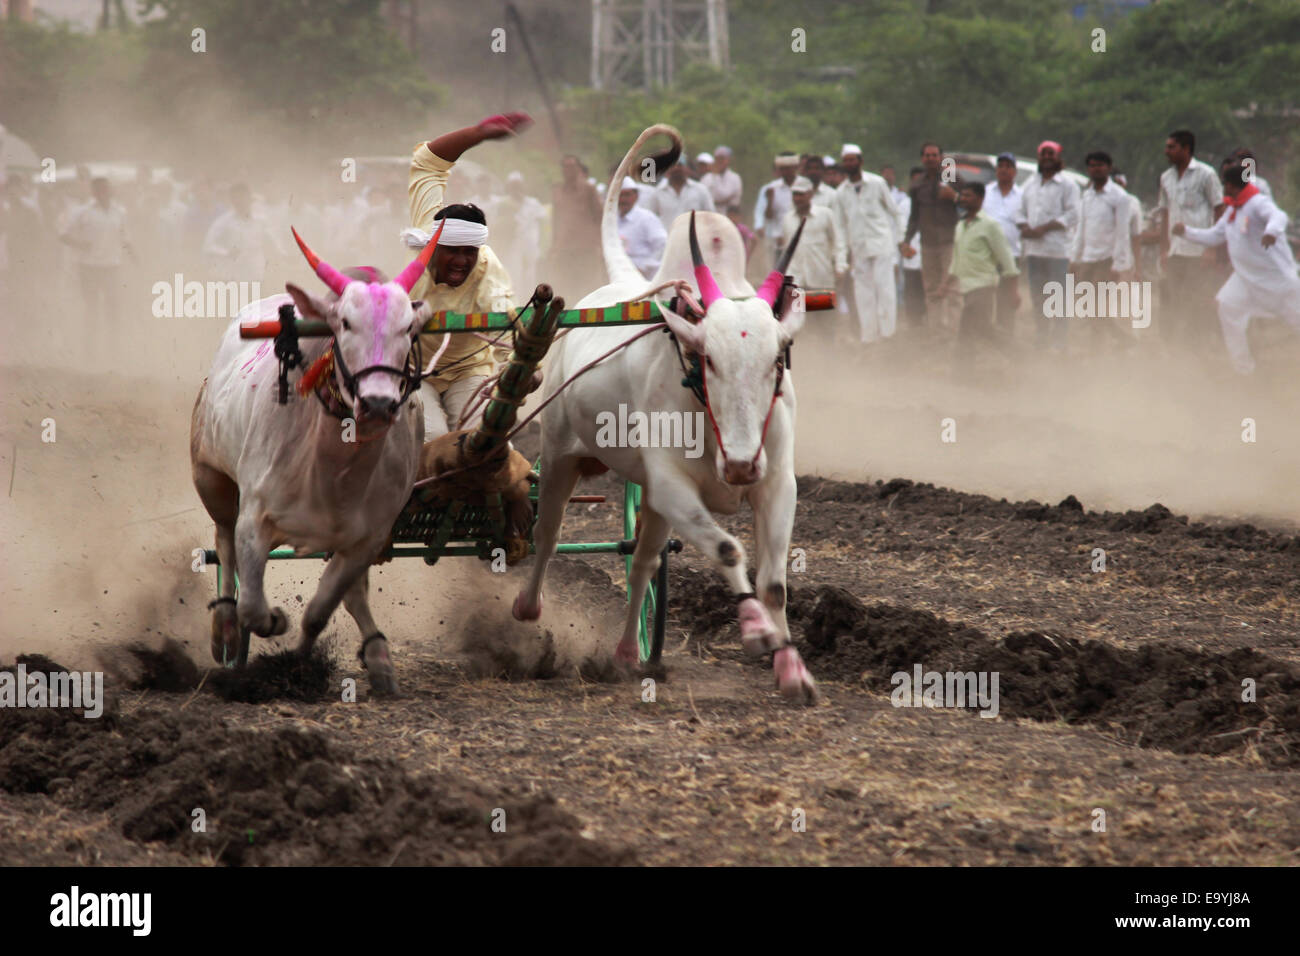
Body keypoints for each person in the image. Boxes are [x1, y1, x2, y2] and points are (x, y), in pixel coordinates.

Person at [405, 113, 532, 442]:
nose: (462, 261)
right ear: (433, 246)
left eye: (469, 252)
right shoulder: (424, 231)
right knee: (431, 437)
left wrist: (519, 371)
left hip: (469, 368)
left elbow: (511, 336)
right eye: (452, 251)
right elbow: (427, 163)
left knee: (474, 439)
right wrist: (477, 134)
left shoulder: (489, 274)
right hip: (414, 368)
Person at [1172, 162, 1300, 375]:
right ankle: (1243, 370)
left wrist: (1271, 231)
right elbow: (1214, 235)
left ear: (1231, 185)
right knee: (1227, 306)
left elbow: (1279, 216)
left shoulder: (1258, 202)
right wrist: (1186, 232)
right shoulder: (1233, 209)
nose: (1224, 188)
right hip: (1246, 279)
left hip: (1276, 280)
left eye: (1225, 184)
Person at [1154, 129, 1224, 347]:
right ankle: (1178, 346)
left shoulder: (1206, 174)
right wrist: (1164, 250)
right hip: (1176, 251)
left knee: (1198, 299)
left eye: (1171, 147)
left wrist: (1211, 248)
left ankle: (1201, 344)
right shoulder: (1166, 178)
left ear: (1186, 149)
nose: (1166, 151)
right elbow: (1166, 214)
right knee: (1174, 298)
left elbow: (1218, 210)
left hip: (1199, 251)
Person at [832, 143, 901, 343]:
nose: (849, 163)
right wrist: (841, 260)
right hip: (859, 249)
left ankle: (888, 334)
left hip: (882, 245)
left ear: (860, 161)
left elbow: (895, 212)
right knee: (864, 295)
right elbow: (840, 228)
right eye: (846, 160)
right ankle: (869, 338)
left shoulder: (877, 183)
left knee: (885, 290)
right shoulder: (840, 193)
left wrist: (899, 241)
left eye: (852, 159)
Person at [1016, 140, 1081, 351]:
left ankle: (1060, 341)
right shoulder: (1030, 184)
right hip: (1034, 251)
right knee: (1038, 297)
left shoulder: (1068, 185)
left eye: (1050, 154)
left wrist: (1043, 229)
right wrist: (1025, 226)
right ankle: (1042, 337)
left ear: (1058, 158)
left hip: (1057, 251)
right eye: (1043, 154)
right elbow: (1018, 209)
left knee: (1058, 299)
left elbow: (1073, 214)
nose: (1046, 158)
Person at [1070, 150, 1135, 349]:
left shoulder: (1119, 196)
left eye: (1099, 165)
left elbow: (1123, 232)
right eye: (1092, 165)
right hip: (1088, 257)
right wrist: (1075, 257)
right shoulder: (1087, 195)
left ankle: (1098, 348)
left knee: (1096, 306)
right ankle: (1122, 340)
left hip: (1107, 259)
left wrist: (1118, 264)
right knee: (1086, 307)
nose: (1095, 169)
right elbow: (1082, 228)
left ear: (1108, 167)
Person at [949, 181, 1019, 357]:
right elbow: (957, 257)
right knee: (984, 329)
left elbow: (1007, 260)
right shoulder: (960, 225)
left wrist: (1013, 290)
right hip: (965, 287)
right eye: (962, 195)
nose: (963, 199)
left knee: (966, 329)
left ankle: (962, 372)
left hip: (983, 286)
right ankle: (1019, 354)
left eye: (968, 196)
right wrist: (948, 282)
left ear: (980, 199)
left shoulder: (990, 226)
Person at [901, 141, 961, 329]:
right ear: (922, 158)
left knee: (952, 286)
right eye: (927, 155)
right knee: (931, 288)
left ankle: (954, 328)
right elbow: (914, 216)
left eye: (934, 155)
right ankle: (936, 329)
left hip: (949, 241)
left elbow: (969, 201)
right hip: (927, 243)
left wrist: (955, 197)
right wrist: (907, 240)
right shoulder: (917, 184)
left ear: (941, 157)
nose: (931, 158)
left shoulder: (950, 177)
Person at [59, 176, 133, 325]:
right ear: (94, 192)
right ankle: (90, 342)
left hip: (111, 265)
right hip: (89, 266)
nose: (103, 193)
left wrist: (133, 256)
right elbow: (63, 235)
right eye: (99, 190)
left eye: (106, 189)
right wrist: (79, 244)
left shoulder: (119, 212)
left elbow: (125, 238)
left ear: (111, 191)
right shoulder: (82, 212)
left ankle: (113, 342)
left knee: (112, 306)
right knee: (92, 307)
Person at [202, 182, 285, 283]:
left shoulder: (261, 221)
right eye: (236, 199)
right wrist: (226, 253)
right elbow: (209, 245)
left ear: (249, 198)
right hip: (234, 277)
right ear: (232, 201)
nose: (240, 202)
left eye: (243, 198)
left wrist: (283, 256)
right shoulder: (223, 222)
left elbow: (275, 241)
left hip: (256, 275)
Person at [779, 176, 845, 291]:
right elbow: (786, 249)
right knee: (797, 309)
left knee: (822, 308)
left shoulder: (825, 215)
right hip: (795, 280)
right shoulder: (787, 219)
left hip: (821, 277)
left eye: (801, 194)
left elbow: (838, 242)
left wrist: (840, 266)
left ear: (810, 194)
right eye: (795, 194)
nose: (797, 198)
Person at [548, 152, 603, 292]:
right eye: (565, 167)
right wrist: (554, 245)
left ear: (578, 168)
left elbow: (599, 216)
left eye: (572, 166)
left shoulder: (588, 189)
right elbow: (555, 220)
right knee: (565, 283)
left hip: (586, 247)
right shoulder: (558, 191)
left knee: (587, 283)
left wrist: (599, 244)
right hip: (565, 247)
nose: (568, 170)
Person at [981, 153, 1024, 331]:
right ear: (996, 170)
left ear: (1014, 171)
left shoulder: (1022, 195)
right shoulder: (986, 192)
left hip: (1011, 254)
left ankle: (1006, 335)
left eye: (1008, 166)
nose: (1004, 170)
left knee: (1006, 298)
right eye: (1001, 166)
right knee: (984, 296)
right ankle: (984, 333)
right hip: (986, 254)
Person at [754, 152, 800, 265]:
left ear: (795, 168)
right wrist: (770, 200)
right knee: (776, 271)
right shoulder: (771, 188)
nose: (786, 172)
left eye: (789, 168)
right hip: (777, 237)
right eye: (783, 169)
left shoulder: (804, 186)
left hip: (799, 237)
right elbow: (765, 214)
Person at [616, 176, 667, 279]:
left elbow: (662, 246)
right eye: (620, 195)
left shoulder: (647, 218)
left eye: (627, 195)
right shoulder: (612, 219)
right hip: (618, 274)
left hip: (643, 277)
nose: (623, 199)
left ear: (636, 196)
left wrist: (644, 267)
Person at [648, 158, 715, 231]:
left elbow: (711, 215)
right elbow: (651, 218)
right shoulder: (658, 192)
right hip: (668, 239)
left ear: (686, 168)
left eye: (680, 165)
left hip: (695, 239)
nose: (676, 168)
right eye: (673, 165)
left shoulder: (700, 190)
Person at [900, 167, 926, 325]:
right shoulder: (904, 204)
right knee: (912, 291)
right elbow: (901, 229)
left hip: (928, 254)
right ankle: (913, 324)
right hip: (910, 255)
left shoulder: (932, 203)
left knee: (928, 292)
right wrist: (905, 247)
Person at [701, 145, 743, 211]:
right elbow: (703, 198)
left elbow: (727, 197)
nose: (719, 161)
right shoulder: (706, 178)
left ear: (728, 160)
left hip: (728, 217)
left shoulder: (735, 178)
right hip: (710, 215)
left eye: (722, 158)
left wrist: (715, 201)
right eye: (717, 158)